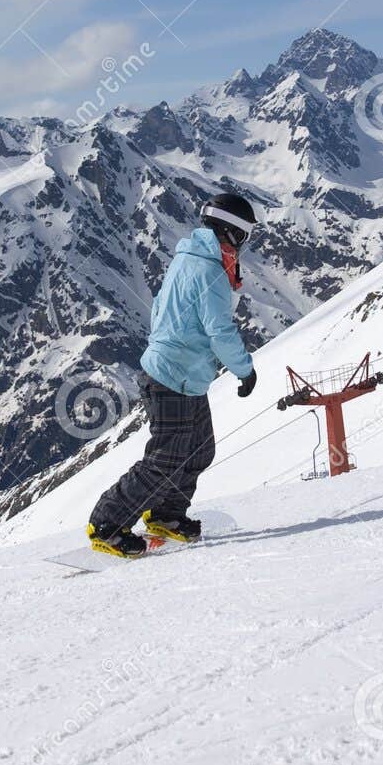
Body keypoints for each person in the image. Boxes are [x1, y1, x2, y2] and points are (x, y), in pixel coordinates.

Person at [87, 192, 259, 558]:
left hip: (185, 376)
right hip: (173, 379)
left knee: (199, 450)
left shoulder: (189, 258)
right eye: (243, 237)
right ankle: (106, 522)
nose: (243, 246)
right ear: (230, 232)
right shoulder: (209, 269)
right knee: (164, 459)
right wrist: (245, 369)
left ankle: (166, 514)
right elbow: (220, 331)